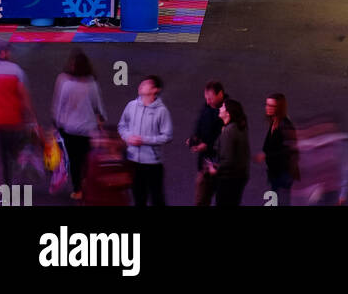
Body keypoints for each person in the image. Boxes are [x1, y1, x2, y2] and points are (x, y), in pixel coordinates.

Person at [51, 50, 105, 200]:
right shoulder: (91, 84)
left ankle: (77, 190)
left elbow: (59, 105)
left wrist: (56, 123)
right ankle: (88, 184)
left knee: (74, 160)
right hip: (88, 128)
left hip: (69, 129)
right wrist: (101, 121)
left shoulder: (65, 83)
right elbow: (98, 107)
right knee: (87, 158)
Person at [118, 75, 173, 207]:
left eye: (146, 84)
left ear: (155, 90)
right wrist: (127, 137)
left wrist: (144, 140)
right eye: (141, 83)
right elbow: (122, 126)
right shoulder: (131, 106)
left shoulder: (162, 111)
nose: (141, 85)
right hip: (133, 161)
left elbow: (167, 135)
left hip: (152, 163)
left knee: (157, 199)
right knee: (138, 198)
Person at [0, 42, 34, 189]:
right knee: (12, 156)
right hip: (13, 122)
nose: (9, 54)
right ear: (2, 53)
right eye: (8, 51)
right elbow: (24, 98)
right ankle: (12, 189)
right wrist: (31, 120)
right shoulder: (16, 70)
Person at [186, 81, 226, 206]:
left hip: (221, 164)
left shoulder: (227, 111)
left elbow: (226, 137)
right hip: (205, 163)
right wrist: (194, 138)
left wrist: (207, 145)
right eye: (206, 98)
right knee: (200, 200)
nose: (208, 101)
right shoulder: (207, 106)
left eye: (210, 98)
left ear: (220, 94)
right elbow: (199, 124)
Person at [257, 93, 299, 206]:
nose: (268, 108)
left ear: (279, 108)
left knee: (281, 202)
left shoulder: (285, 125)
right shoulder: (274, 122)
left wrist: (267, 155)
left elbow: (289, 151)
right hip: (275, 173)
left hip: (284, 174)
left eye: (272, 106)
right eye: (267, 105)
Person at [208, 98, 250, 207]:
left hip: (228, 179)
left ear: (228, 112)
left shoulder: (229, 131)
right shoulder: (240, 128)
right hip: (239, 178)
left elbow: (228, 160)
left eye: (222, 107)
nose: (220, 108)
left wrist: (215, 168)